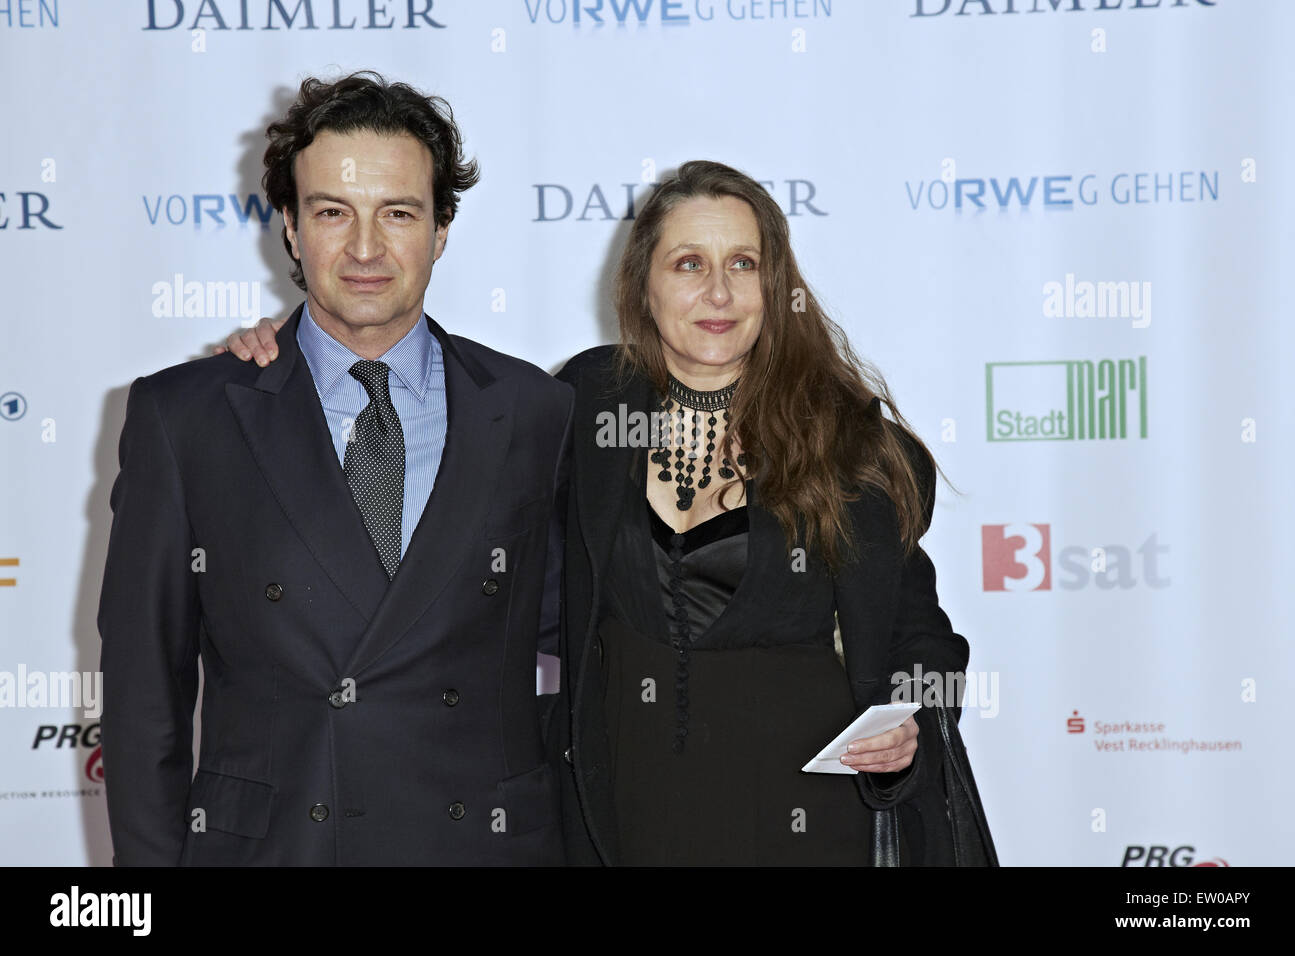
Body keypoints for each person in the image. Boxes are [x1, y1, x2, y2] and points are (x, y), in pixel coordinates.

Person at [224, 161, 975, 866]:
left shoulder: (841, 434)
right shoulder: (586, 404)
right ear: (643, 284)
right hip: (621, 814)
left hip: (809, 817)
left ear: (775, 287)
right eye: (688, 264)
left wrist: (905, 719)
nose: (718, 292)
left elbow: (917, 632)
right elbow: (422, 410)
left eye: (743, 265)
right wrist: (284, 360)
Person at [97, 72, 573, 866]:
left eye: (398, 213)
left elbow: (603, 635)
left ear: (442, 228)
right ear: (288, 226)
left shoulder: (532, 410)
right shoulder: (189, 418)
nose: (364, 249)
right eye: (331, 213)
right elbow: (146, 694)